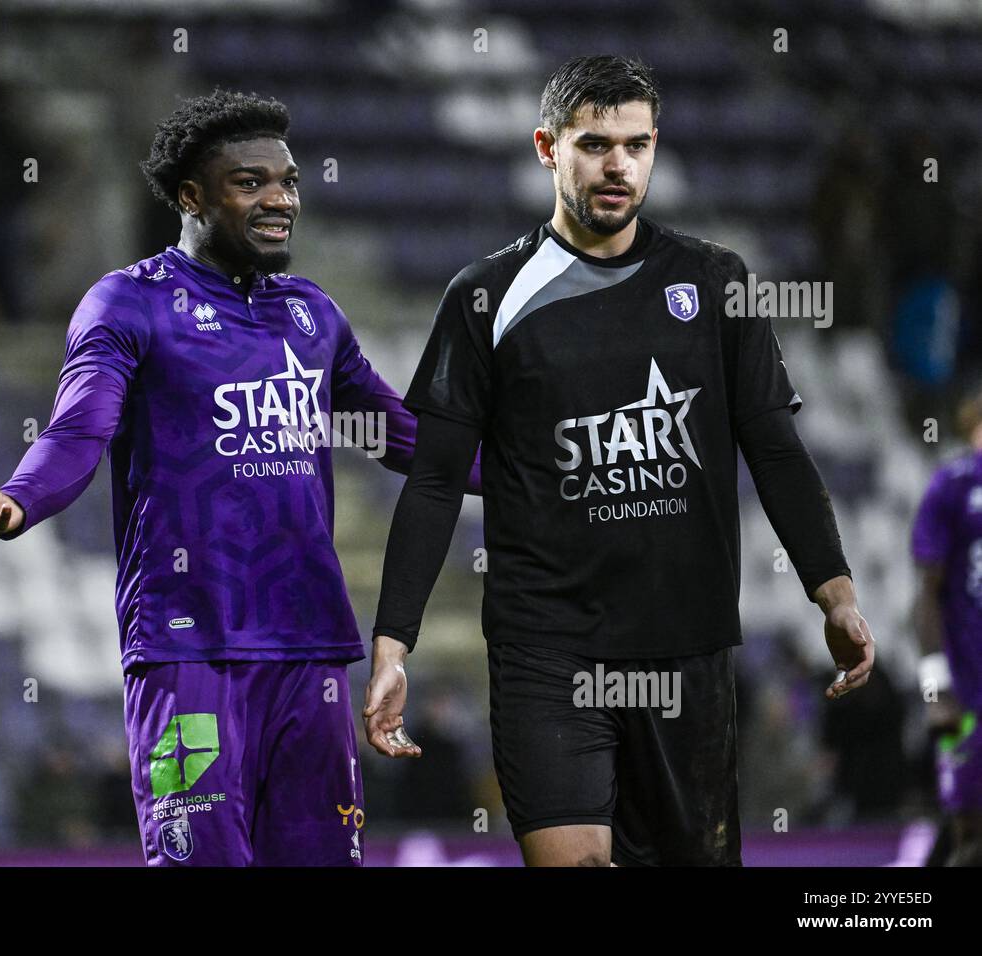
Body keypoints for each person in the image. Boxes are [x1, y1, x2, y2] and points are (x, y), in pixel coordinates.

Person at [0, 89, 479, 866]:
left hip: (309, 647)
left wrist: (543, 469)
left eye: (286, 181)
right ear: (191, 196)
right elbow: (80, 429)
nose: (279, 199)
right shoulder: (128, 304)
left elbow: (406, 437)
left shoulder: (313, 316)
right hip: (188, 650)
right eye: (251, 182)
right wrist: (18, 496)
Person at [365, 55, 875, 866]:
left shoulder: (716, 282)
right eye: (595, 143)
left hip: (687, 648)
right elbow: (432, 482)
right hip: (547, 649)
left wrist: (835, 593)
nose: (618, 166)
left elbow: (775, 448)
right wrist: (394, 644)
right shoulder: (486, 299)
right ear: (546, 147)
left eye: (636, 145)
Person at [910, 387, 982, 866]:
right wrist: (936, 693)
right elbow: (924, 601)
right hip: (968, 697)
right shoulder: (953, 487)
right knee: (969, 836)